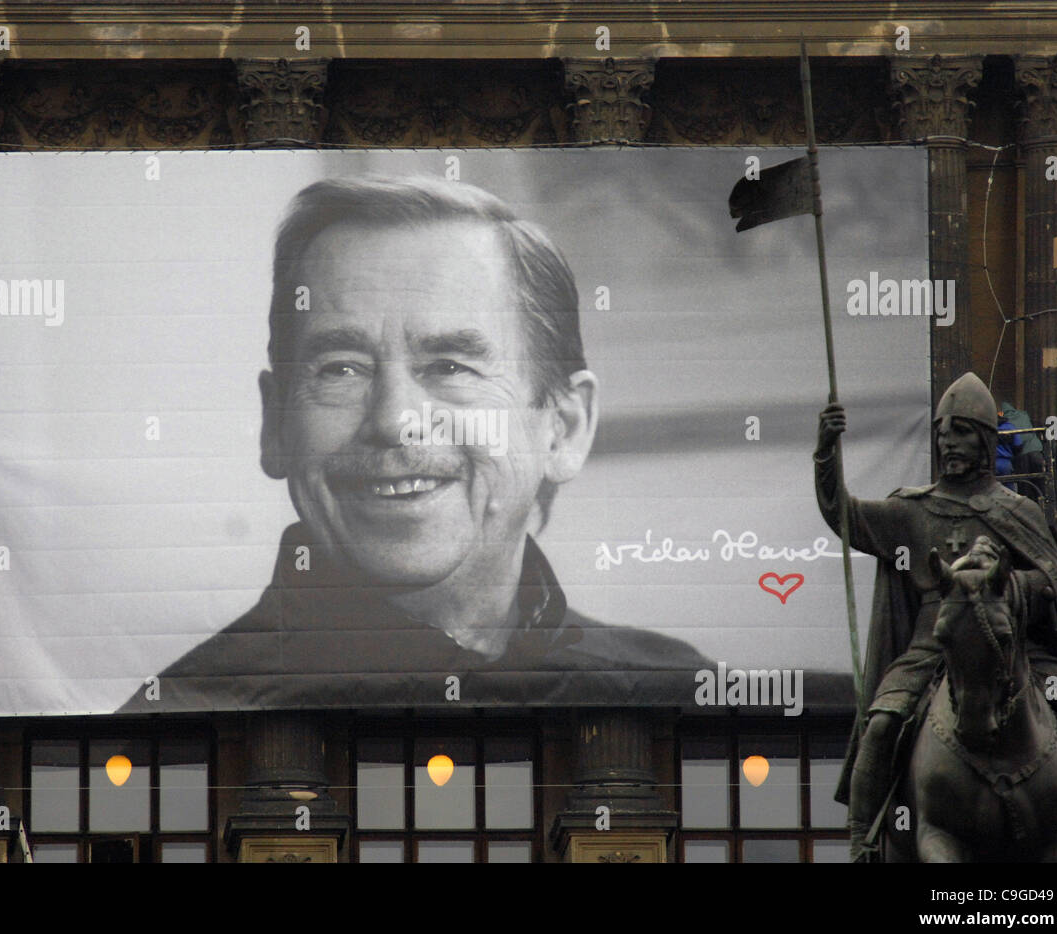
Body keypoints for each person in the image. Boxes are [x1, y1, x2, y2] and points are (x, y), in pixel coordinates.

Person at [121, 174, 713, 711]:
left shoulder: (679, 700)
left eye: (450, 366)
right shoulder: (176, 736)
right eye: (340, 369)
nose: (396, 418)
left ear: (563, 428)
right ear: (276, 425)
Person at [815, 372, 1057, 861]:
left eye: (962, 431)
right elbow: (841, 513)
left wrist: (1005, 585)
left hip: (1017, 646)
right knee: (883, 722)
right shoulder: (910, 510)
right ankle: (863, 839)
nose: (949, 441)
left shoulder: (1020, 512)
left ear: (987, 440)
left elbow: (1052, 583)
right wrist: (827, 452)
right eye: (943, 432)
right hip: (933, 645)